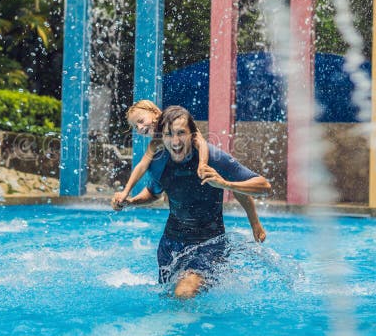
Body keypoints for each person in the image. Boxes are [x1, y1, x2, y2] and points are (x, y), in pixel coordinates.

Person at [112, 105, 271, 299]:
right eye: (169, 134)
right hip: (170, 246)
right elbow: (154, 193)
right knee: (169, 297)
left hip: (209, 243)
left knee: (184, 292)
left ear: (192, 134)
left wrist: (225, 184)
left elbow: (264, 186)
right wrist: (130, 201)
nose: (176, 141)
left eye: (181, 133)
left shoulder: (213, 157)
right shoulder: (158, 160)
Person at [112, 100, 267, 243]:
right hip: (177, 234)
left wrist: (202, 164)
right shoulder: (155, 147)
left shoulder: (181, 122)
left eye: (140, 121)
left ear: (154, 112)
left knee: (233, 180)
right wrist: (126, 193)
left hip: (209, 228)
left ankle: (254, 221)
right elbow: (141, 166)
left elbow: (202, 143)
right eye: (135, 127)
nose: (139, 128)